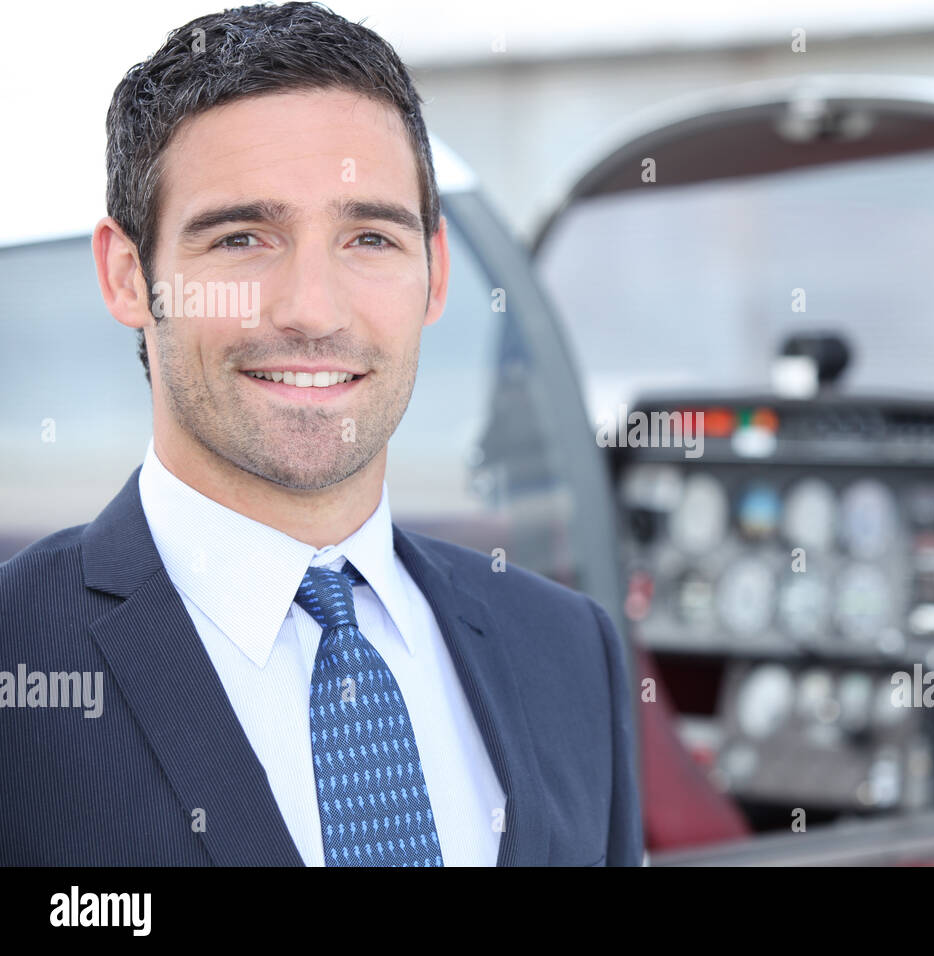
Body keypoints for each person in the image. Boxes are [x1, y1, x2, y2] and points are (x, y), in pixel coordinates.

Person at [0, 1, 642, 867]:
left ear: (435, 273)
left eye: (369, 237)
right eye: (241, 238)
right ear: (127, 276)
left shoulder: (569, 651)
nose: (312, 309)